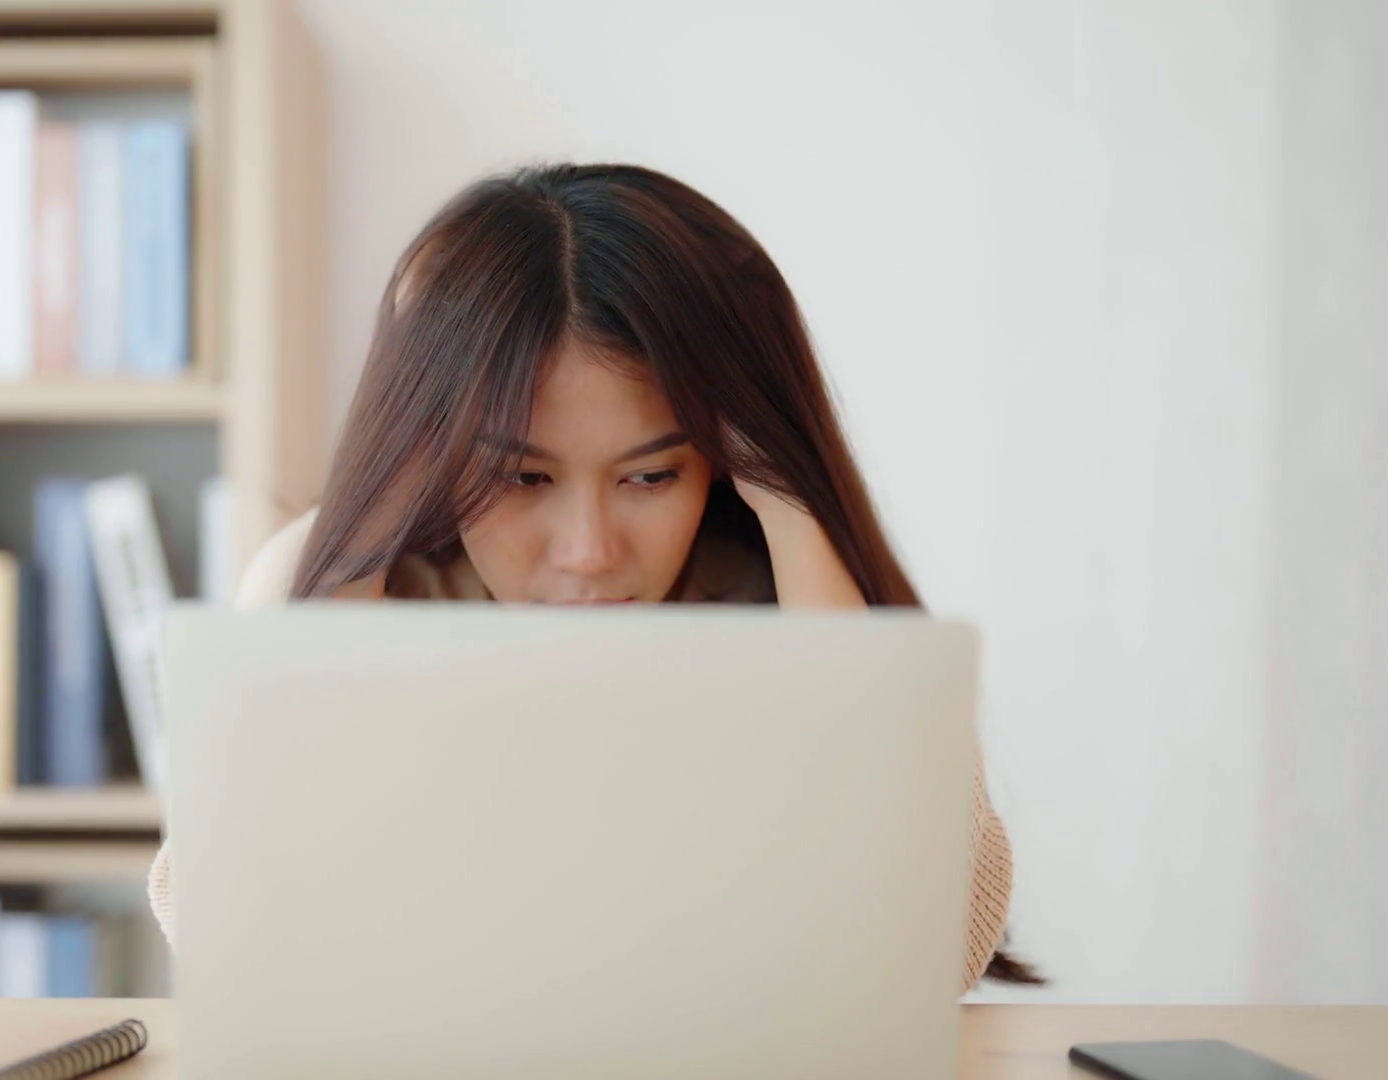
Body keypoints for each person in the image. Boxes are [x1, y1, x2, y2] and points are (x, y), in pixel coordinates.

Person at [149, 162, 1036, 989]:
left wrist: (794, 505)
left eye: (651, 476)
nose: (588, 552)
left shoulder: (781, 594)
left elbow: (944, 948)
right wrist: (363, 529)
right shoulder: (341, 585)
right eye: (521, 477)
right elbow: (225, 936)